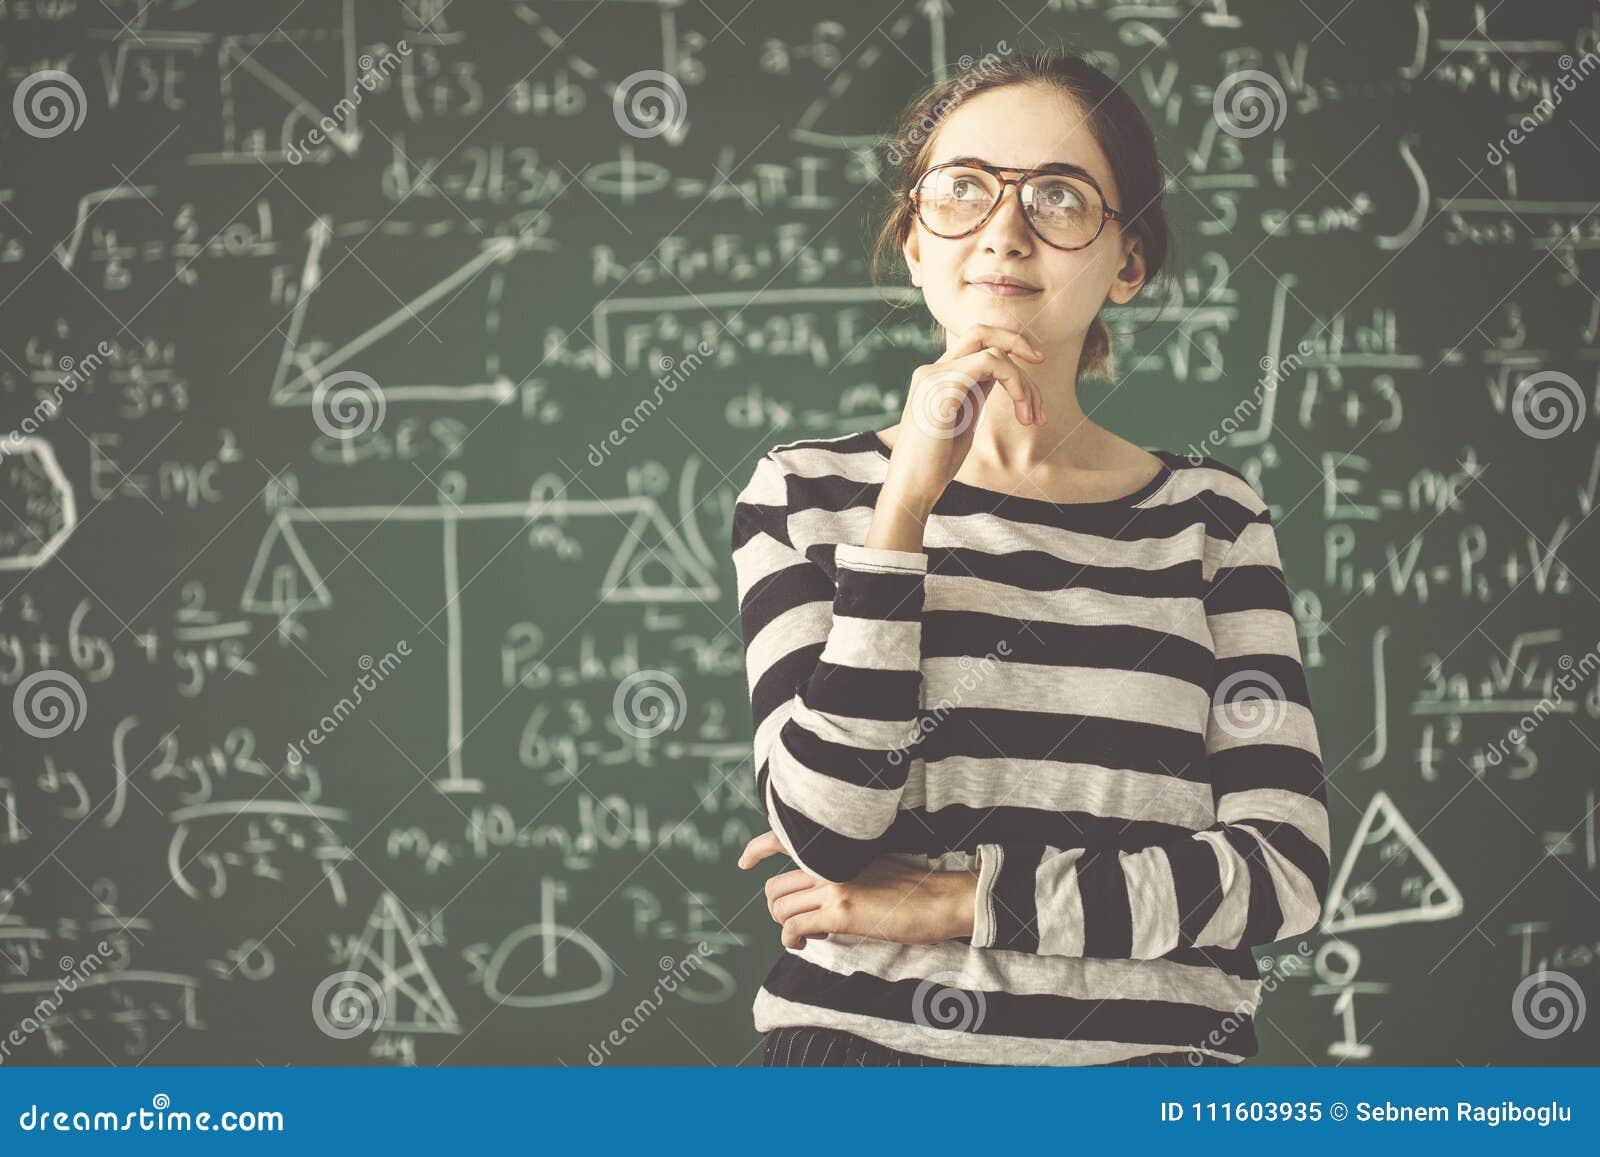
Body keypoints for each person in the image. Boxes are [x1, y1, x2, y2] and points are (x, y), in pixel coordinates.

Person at [730, 47, 1329, 1067]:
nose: (1004, 230)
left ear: (1128, 262)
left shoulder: (1213, 519)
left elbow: (1282, 870)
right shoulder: (805, 492)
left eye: (1058, 196)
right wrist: (903, 509)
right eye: (961, 189)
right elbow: (829, 830)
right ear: (914, 242)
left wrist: (970, 900)